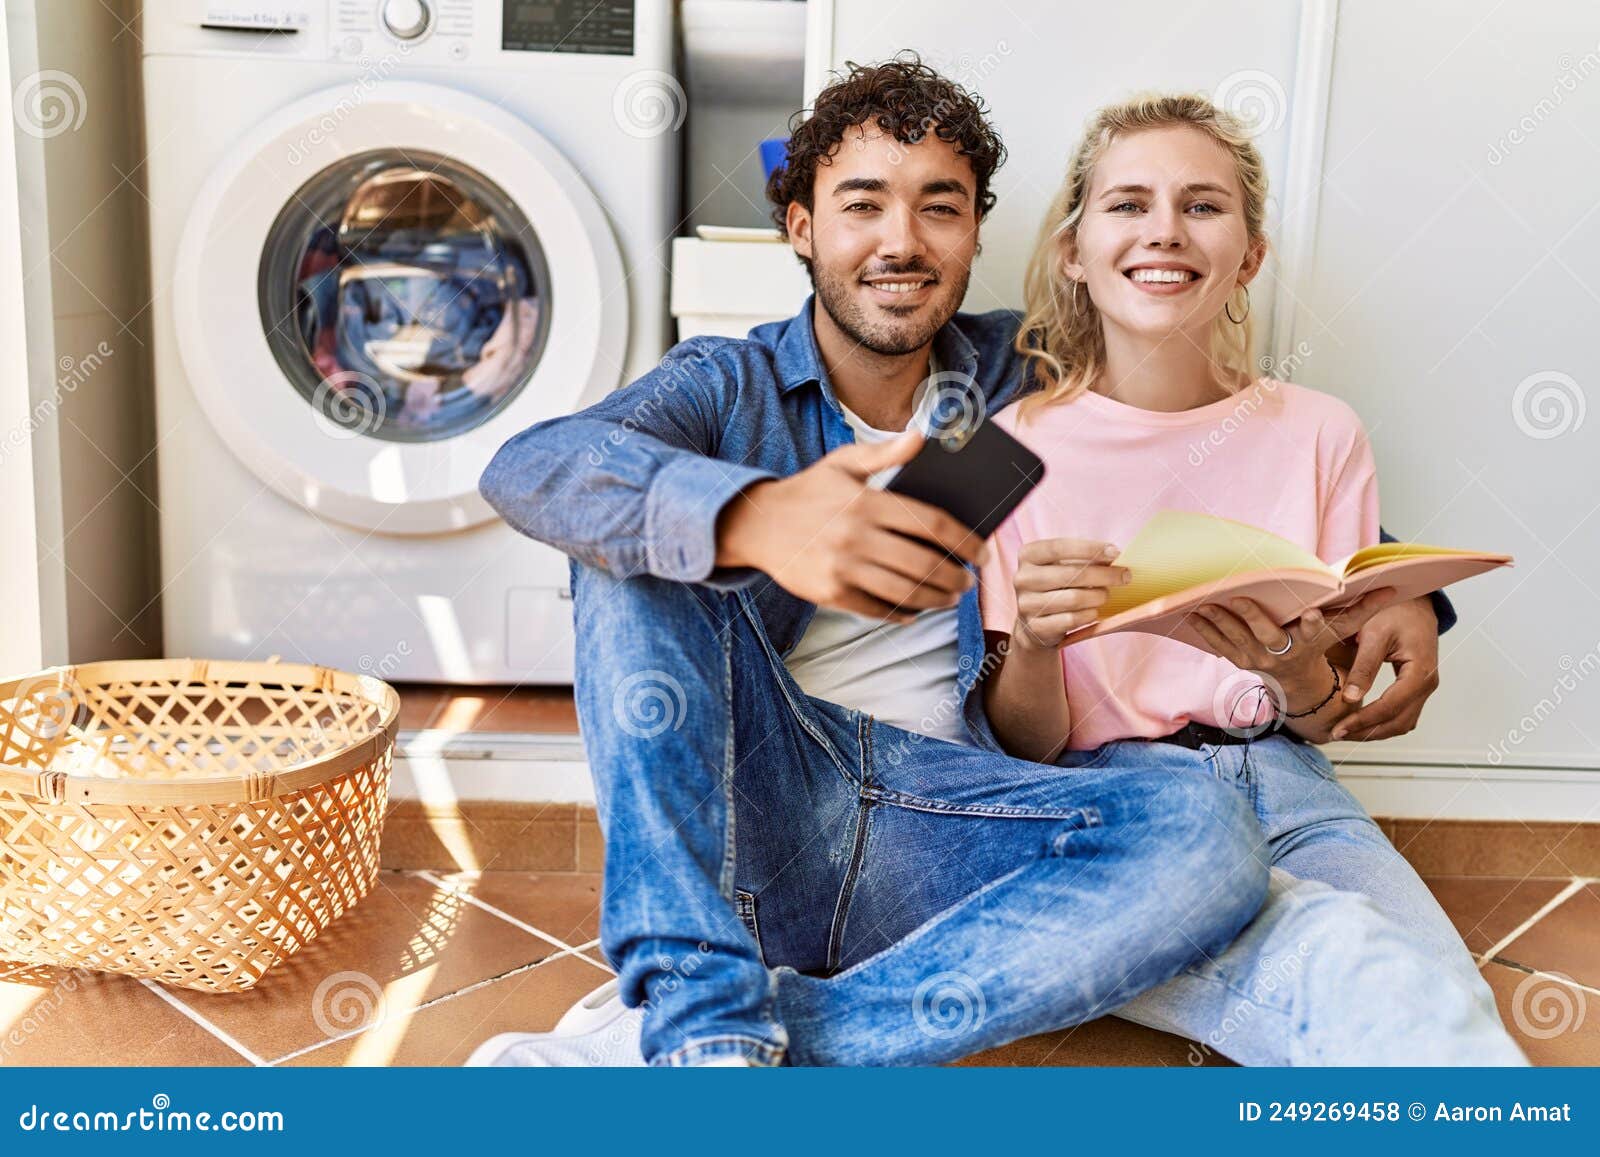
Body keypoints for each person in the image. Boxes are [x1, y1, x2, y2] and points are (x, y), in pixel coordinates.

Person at [470, 57, 1462, 1067]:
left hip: (957, 812)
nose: (900, 241)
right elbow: (533, 465)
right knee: (632, 537)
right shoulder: (727, 389)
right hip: (775, 794)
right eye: (861, 206)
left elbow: (1202, 429)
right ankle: (701, 1023)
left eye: (937, 208)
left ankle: (775, 1055)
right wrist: (757, 516)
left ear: (975, 233)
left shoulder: (1014, 378)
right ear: (801, 229)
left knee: (1200, 826)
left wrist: (1407, 588)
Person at [976, 91, 1524, 1064]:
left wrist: (1295, 673)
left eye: (1200, 204)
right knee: (1371, 1002)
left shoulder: (1320, 431)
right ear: (1072, 249)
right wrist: (1037, 641)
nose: (1164, 231)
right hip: (1114, 794)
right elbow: (1026, 739)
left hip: (1284, 781)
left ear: (1249, 253)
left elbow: (1317, 719)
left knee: (1439, 998)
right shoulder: (1007, 451)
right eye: (1128, 203)